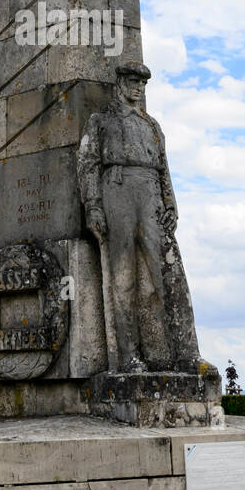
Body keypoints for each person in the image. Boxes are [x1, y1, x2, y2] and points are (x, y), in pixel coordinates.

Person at [77, 61, 181, 372]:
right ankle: (129, 356)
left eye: (143, 84)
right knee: (122, 277)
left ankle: (176, 354)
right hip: (117, 189)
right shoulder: (102, 121)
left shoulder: (152, 126)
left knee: (166, 274)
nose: (139, 88)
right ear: (120, 82)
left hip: (149, 192)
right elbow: (88, 164)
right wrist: (93, 206)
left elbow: (164, 168)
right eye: (134, 81)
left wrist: (170, 203)